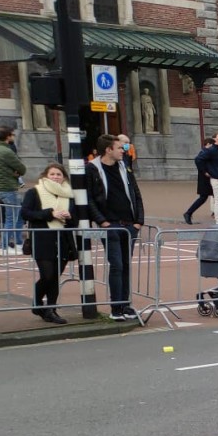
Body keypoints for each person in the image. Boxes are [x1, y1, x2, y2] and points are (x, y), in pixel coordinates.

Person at [87, 133, 145, 319]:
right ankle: (116, 308)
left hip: (129, 225)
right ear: (108, 150)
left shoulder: (125, 167)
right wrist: (102, 221)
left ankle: (125, 305)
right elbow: (89, 199)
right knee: (117, 265)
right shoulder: (92, 169)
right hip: (110, 225)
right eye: (120, 148)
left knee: (126, 265)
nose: (124, 150)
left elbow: (136, 193)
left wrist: (138, 221)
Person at [18, 163, 76, 324]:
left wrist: (69, 216)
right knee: (47, 275)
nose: (56, 177)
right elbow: (25, 213)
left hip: (63, 240)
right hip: (43, 239)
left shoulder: (69, 195)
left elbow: (76, 219)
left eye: (59, 174)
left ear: (64, 177)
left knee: (55, 277)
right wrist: (50, 214)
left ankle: (50, 309)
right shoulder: (34, 192)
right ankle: (39, 304)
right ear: (45, 175)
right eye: (52, 174)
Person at [0, 126, 26, 255]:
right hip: (8, 188)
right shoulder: (6, 151)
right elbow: (22, 168)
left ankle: (19, 244)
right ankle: (4, 247)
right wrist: (15, 173)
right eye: (12, 135)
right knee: (11, 218)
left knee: (17, 217)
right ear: (8, 136)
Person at [183, 138, 215, 224]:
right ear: (208, 144)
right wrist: (205, 172)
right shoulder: (204, 152)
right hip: (205, 179)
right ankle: (188, 213)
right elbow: (198, 160)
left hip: (207, 177)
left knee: (214, 197)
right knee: (204, 197)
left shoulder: (206, 152)